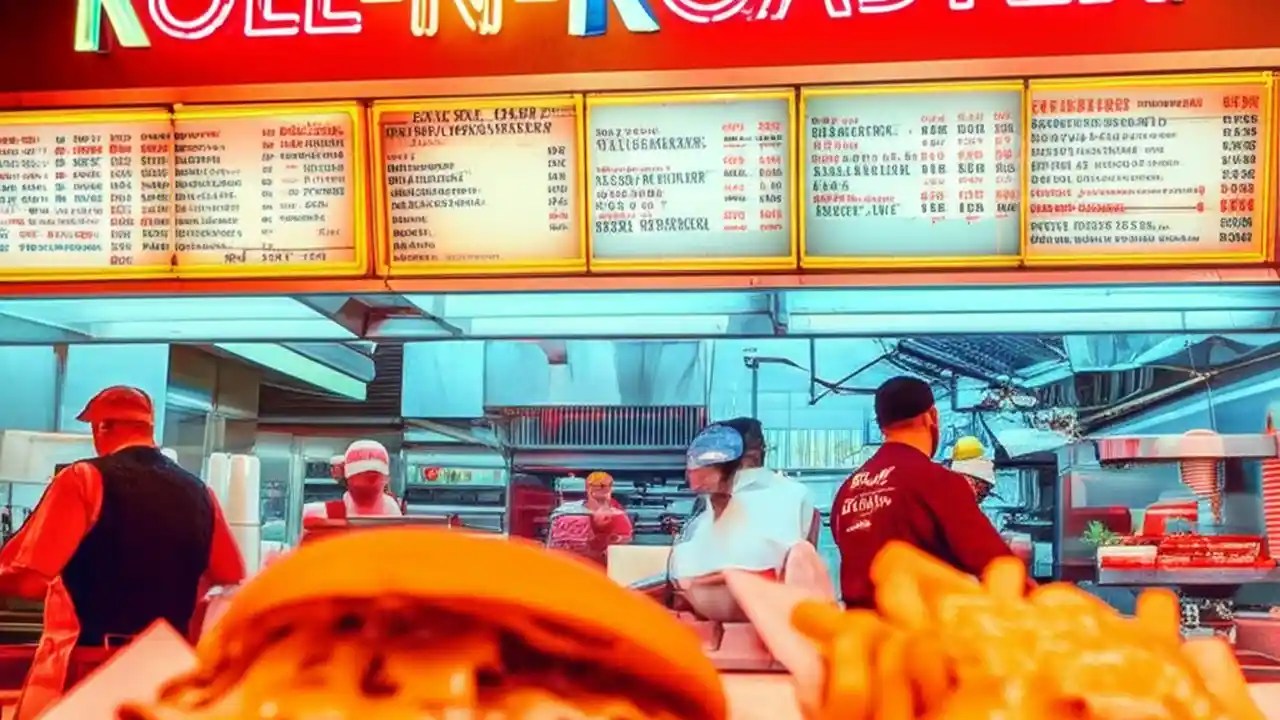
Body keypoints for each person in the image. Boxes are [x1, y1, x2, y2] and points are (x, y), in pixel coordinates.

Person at [0, 386, 246, 719]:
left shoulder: (83, 479)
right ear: (149, 428)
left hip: (94, 667)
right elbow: (231, 573)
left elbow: (30, 583)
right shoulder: (200, 492)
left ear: (102, 427)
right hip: (169, 670)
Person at [831, 377, 1015, 609]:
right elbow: (1000, 569)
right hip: (925, 636)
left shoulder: (847, 491)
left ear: (882, 426)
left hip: (861, 637)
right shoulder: (938, 482)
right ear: (932, 416)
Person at [669, 419, 829, 620]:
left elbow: (680, 579)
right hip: (772, 615)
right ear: (755, 454)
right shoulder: (797, 494)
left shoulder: (705, 506)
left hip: (709, 614)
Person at [546, 471, 634, 565]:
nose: (600, 490)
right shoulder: (565, 513)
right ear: (588, 489)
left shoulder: (619, 518)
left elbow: (622, 553)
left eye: (603, 487)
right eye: (597, 486)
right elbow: (553, 548)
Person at [302, 440, 403, 521]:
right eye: (360, 478)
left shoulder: (393, 513)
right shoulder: (324, 514)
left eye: (372, 478)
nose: (366, 484)